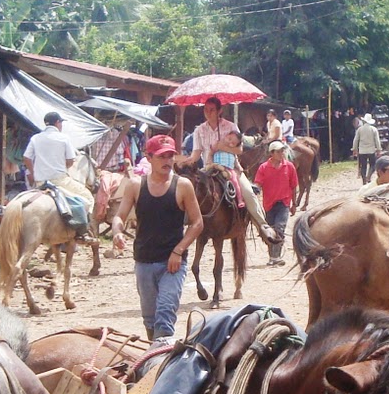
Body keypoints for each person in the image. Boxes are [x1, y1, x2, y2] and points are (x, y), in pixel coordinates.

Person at [110, 134, 203, 341]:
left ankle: (162, 357)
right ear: (149, 158)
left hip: (172, 262)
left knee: (165, 315)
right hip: (144, 260)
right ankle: (154, 354)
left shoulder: (183, 185)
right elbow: (119, 216)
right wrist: (117, 232)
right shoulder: (135, 185)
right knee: (150, 320)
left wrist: (178, 251)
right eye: (162, 156)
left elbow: (197, 223)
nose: (167, 161)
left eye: (171, 156)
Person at [192, 97, 279, 241]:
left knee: (248, 192)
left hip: (231, 168)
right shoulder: (199, 130)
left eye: (212, 110)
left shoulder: (231, 127)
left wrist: (221, 147)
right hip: (208, 169)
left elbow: (240, 150)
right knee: (191, 191)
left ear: (219, 111)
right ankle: (184, 225)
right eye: (205, 109)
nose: (208, 113)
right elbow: (195, 155)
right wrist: (182, 161)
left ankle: (263, 225)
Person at [253, 140, 298, 266]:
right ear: (271, 153)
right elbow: (258, 183)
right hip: (269, 204)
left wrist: (294, 204)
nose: (281, 153)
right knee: (270, 230)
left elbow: (293, 186)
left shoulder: (289, 166)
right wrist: (254, 189)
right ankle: (272, 255)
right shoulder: (263, 168)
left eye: (282, 151)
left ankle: (276, 256)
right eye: (278, 151)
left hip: (283, 203)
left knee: (279, 228)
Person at [353, 111, 381, 184]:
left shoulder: (360, 129)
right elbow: (377, 140)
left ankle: (364, 180)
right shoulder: (374, 129)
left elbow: (356, 140)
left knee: (363, 166)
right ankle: (369, 176)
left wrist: (354, 149)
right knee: (373, 165)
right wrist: (378, 149)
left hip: (362, 150)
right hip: (371, 150)